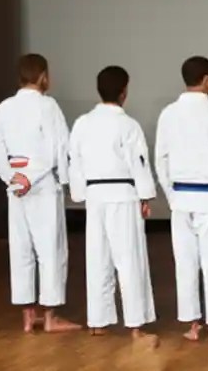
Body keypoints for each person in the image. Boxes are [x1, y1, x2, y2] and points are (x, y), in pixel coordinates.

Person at [0, 53, 80, 333]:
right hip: (43, 187)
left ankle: (28, 315)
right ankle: (50, 316)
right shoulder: (47, 106)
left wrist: (13, 177)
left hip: (16, 187)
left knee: (22, 249)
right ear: (43, 76)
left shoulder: (5, 107)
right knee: (51, 250)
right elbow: (59, 148)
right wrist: (61, 179)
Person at [154, 56, 208, 342]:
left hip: (181, 197)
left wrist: (171, 195)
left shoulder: (169, 113)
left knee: (185, 262)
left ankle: (192, 325)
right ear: (206, 79)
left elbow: (161, 159)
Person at [67, 66, 157, 341]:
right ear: (124, 91)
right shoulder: (128, 125)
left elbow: (75, 160)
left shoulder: (83, 123)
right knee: (128, 258)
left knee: (98, 258)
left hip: (95, 196)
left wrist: (79, 194)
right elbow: (138, 162)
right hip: (122, 194)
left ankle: (98, 321)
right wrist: (145, 195)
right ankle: (135, 324)